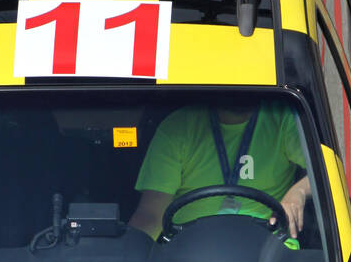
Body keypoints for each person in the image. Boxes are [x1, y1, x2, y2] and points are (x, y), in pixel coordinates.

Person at [129, 99, 311, 240]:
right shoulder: (177, 128)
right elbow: (152, 216)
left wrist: (299, 192)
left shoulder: (283, 119)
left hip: (269, 248)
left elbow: (325, 172)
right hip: (189, 252)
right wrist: (124, 259)